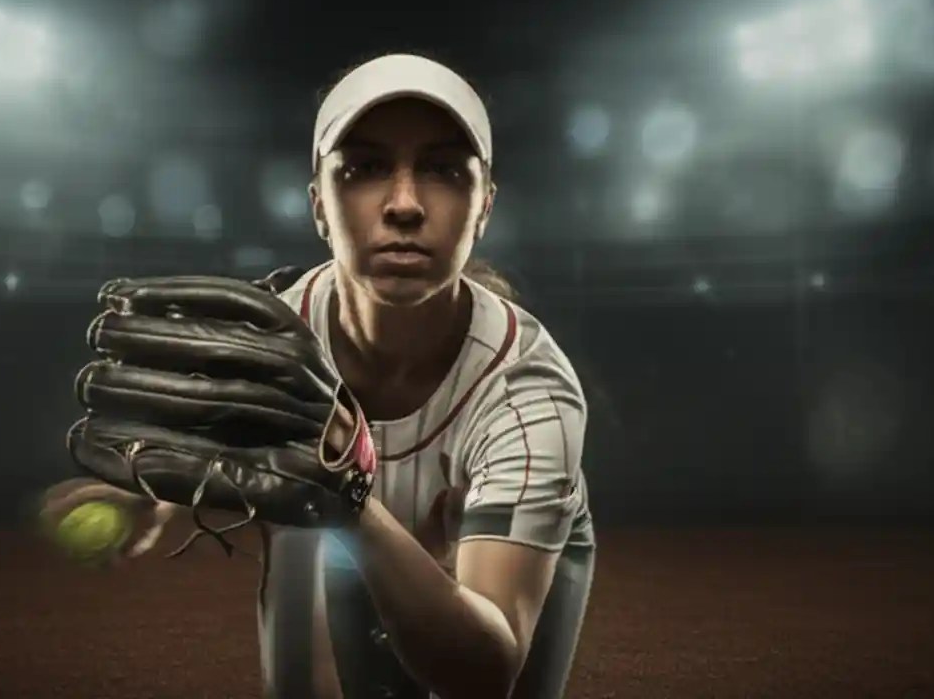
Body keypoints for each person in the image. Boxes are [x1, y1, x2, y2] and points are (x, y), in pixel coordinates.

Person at [42, 53, 595, 699]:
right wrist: (142, 493)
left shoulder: (529, 395)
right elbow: (218, 427)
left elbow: (485, 671)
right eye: (363, 168)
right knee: (307, 562)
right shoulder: (274, 337)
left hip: (497, 589)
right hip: (339, 547)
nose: (405, 204)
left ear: (485, 207)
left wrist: (352, 502)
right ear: (318, 207)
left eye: (444, 169)